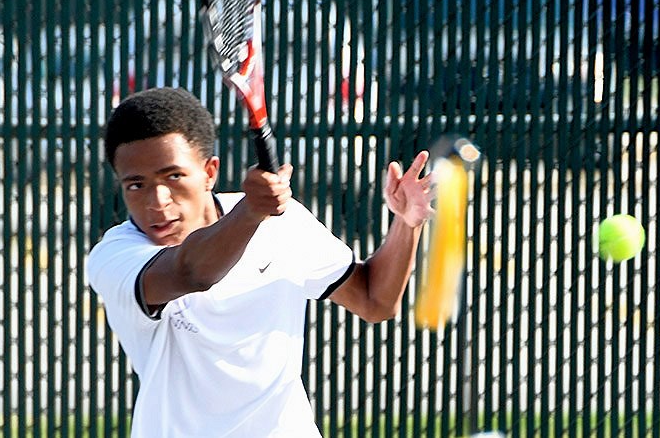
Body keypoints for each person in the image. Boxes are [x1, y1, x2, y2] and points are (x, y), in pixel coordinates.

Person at [87, 87, 434, 437]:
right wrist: (251, 213)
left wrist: (407, 224)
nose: (157, 201)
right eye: (136, 185)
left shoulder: (282, 222)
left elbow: (375, 300)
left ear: (209, 172)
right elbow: (192, 272)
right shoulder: (115, 256)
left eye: (173, 177)